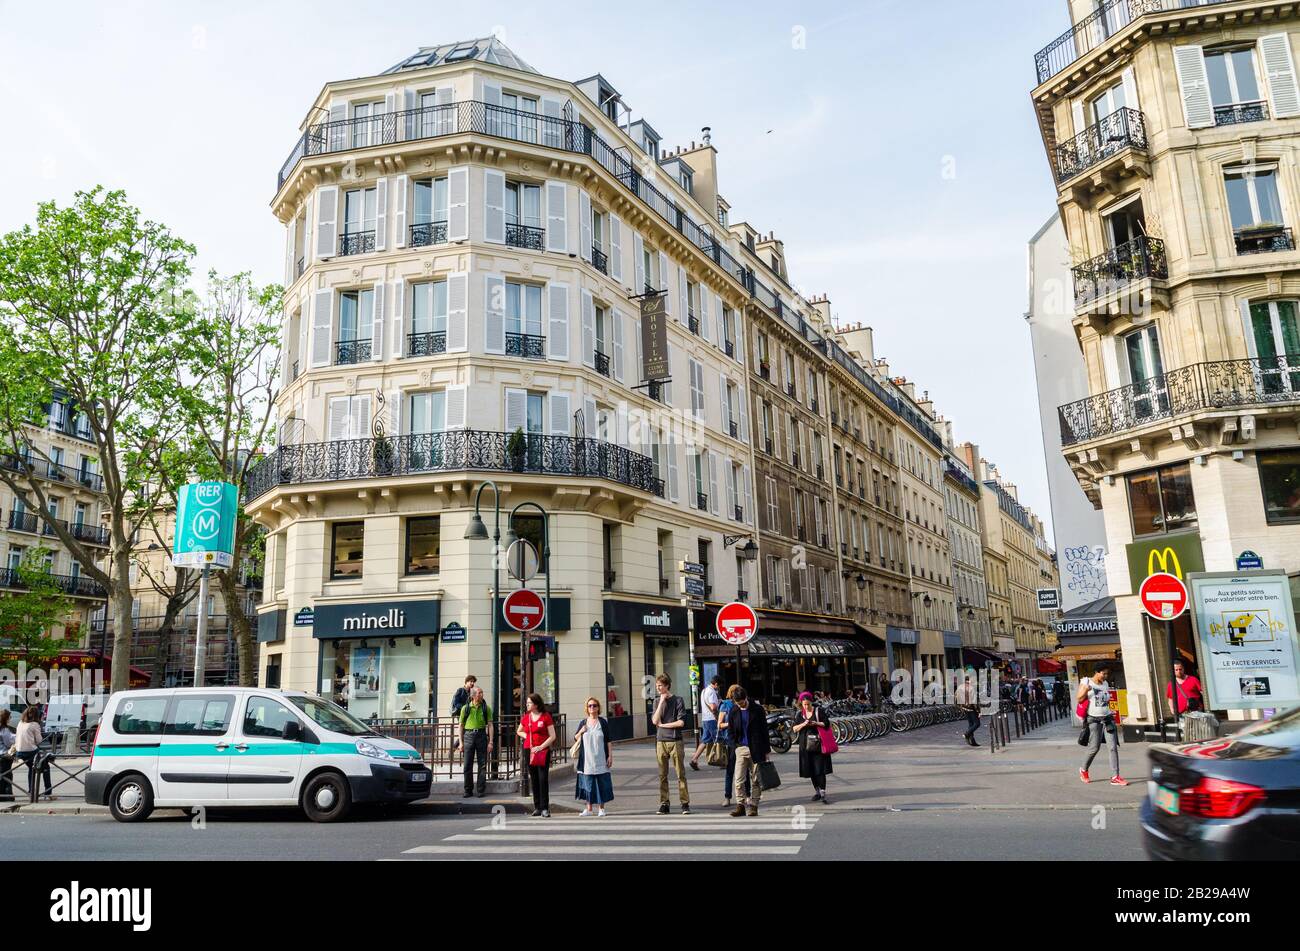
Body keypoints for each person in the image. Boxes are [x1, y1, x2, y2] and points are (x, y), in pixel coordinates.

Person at [1077, 666, 1127, 786]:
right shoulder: (1086, 681)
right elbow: (1079, 699)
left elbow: (1105, 700)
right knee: (1094, 748)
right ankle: (1083, 769)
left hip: (1108, 718)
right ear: (1096, 672)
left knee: (1112, 747)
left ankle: (1115, 776)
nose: (1105, 676)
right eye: (1103, 674)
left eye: (1107, 674)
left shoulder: (1105, 683)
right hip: (1093, 720)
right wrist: (1086, 690)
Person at [726, 688, 771, 817]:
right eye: (738, 703)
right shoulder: (734, 711)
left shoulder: (757, 709)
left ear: (746, 698)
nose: (741, 705)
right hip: (741, 748)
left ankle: (754, 806)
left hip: (757, 748)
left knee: (755, 779)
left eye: (743, 703)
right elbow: (730, 730)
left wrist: (767, 750)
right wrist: (734, 745)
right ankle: (740, 805)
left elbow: (764, 730)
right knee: (739, 779)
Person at [651, 674, 690, 814]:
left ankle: (685, 803)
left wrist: (665, 725)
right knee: (662, 775)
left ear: (667, 685)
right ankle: (664, 803)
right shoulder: (657, 702)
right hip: (660, 741)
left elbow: (681, 723)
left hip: (675, 741)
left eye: (660, 685)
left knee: (680, 773)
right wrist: (661, 702)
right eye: (657, 686)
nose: (658, 688)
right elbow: (655, 721)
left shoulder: (678, 700)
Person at [516, 693, 556, 817]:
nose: (527, 705)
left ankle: (545, 807)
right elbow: (519, 731)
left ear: (536, 704)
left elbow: (553, 736)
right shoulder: (526, 717)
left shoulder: (545, 716)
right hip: (530, 750)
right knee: (533, 778)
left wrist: (541, 746)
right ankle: (537, 807)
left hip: (542, 751)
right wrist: (528, 737)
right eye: (527, 703)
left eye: (529, 703)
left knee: (543, 778)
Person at [573, 697, 613, 816]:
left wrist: (610, 756)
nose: (592, 708)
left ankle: (601, 808)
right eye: (590, 706)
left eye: (594, 705)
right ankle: (589, 809)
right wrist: (581, 731)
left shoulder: (603, 722)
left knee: (601, 783)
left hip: (600, 757)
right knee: (587, 783)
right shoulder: (583, 722)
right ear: (587, 708)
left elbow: (608, 740)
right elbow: (575, 738)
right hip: (587, 759)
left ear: (598, 707)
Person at [791, 691, 833, 803]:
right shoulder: (800, 714)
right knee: (810, 770)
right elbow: (794, 729)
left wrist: (816, 723)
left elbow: (826, 724)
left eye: (808, 704)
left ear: (811, 702)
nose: (806, 706)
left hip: (819, 744)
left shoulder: (819, 711)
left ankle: (823, 792)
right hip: (805, 745)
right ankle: (817, 791)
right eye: (804, 704)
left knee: (820, 769)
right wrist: (804, 724)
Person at [456, 686, 494, 798]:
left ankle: (481, 790)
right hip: (468, 735)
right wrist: (461, 742)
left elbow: (490, 725)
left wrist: (491, 742)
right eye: (479, 693)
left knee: (482, 764)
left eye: (482, 693)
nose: (481, 695)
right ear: (473, 695)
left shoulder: (486, 708)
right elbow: (461, 726)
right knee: (467, 765)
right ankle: (468, 790)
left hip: (482, 735)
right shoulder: (465, 708)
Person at [717, 684, 748, 809]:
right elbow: (719, 724)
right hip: (731, 742)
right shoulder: (726, 705)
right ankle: (727, 796)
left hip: (744, 741)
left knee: (746, 771)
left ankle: (747, 795)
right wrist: (732, 723)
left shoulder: (745, 705)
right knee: (730, 770)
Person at [15, 705, 51, 800]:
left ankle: (31, 791)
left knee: (32, 768)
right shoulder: (35, 725)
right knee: (46, 766)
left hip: (19, 751)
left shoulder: (20, 723)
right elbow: (39, 741)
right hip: (30, 751)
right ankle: (48, 792)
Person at [689, 675, 721, 771]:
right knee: (720, 739)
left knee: (705, 740)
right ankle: (721, 760)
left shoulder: (704, 691)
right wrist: (717, 713)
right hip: (712, 719)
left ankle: (694, 759)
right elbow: (713, 707)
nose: (719, 688)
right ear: (716, 684)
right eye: (718, 686)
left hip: (705, 718)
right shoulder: (711, 692)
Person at [955, 673, 981, 747]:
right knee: (977, 723)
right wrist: (979, 711)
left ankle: (972, 741)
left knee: (971, 724)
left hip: (964, 708)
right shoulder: (971, 688)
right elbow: (975, 701)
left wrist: (960, 706)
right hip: (971, 708)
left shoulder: (960, 687)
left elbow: (956, 697)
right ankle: (966, 734)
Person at [0, 709, 14, 802]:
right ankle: (6, 795)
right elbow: (9, 742)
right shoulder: (4, 729)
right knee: (7, 775)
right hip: (3, 755)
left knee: (2, 775)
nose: (10, 719)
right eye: (9, 717)